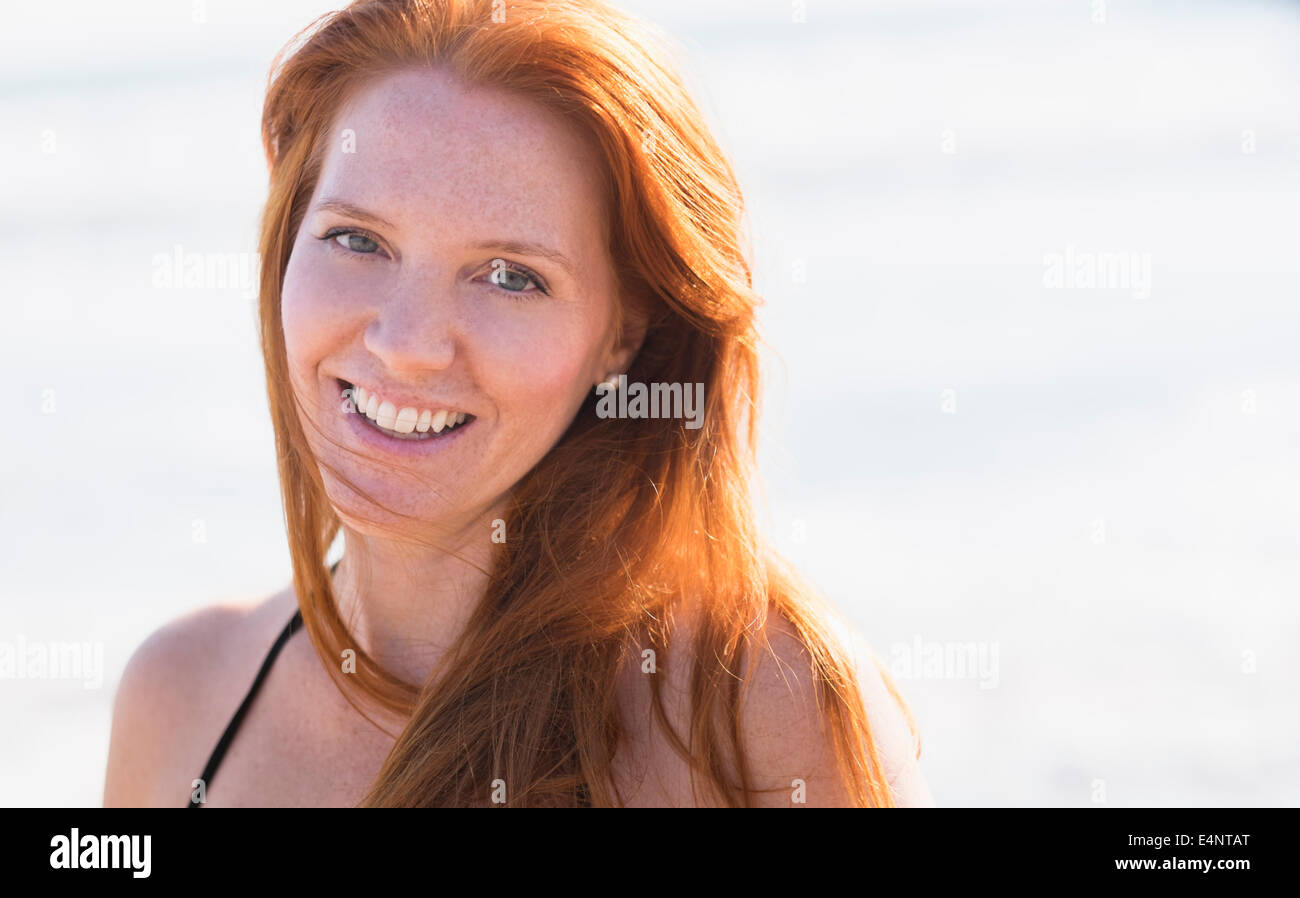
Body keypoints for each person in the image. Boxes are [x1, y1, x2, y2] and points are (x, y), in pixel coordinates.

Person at [104, 0, 933, 807]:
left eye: (511, 276)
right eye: (358, 239)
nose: (407, 343)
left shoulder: (757, 711)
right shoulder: (179, 697)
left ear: (625, 337)